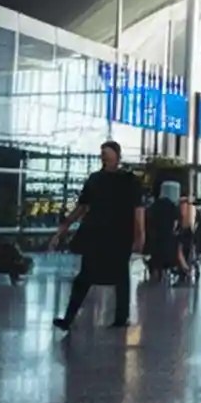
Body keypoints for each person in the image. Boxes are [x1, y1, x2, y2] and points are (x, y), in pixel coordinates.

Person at [50, 141, 145, 330]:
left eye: (108, 155)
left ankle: (120, 317)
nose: (105, 159)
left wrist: (140, 235)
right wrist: (64, 227)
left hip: (118, 234)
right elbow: (82, 207)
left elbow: (138, 210)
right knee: (86, 276)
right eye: (103, 156)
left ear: (117, 157)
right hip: (97, 234)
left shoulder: (129, 181)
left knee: (119, 276)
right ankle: (69, 318)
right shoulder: (95, 179)